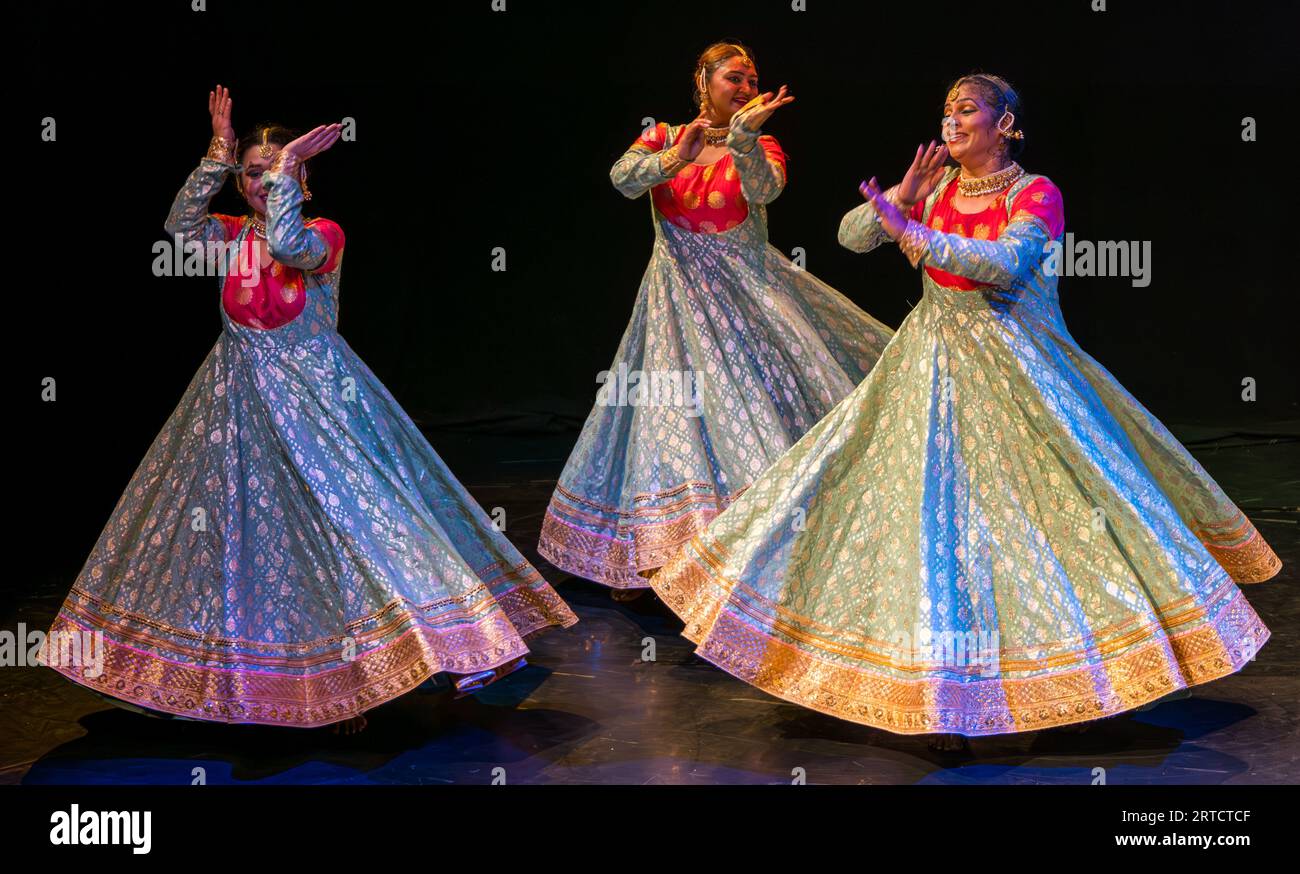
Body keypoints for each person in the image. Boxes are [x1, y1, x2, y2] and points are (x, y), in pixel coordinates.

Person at [650, 74, 1279, 751]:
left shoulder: (1035, 193)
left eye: (967, 108)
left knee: (1051, 528)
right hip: (929, 367)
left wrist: (914, 235)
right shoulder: (938, 188)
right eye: (946, 108)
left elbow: (1007, 265)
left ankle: (1087, 681)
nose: (951, 119)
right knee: (922, 527)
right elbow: (851, 235)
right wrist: (902, 200)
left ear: (1005, 124)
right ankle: (933, 694)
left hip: (1020, 376)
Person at [38, 85, 577, 734]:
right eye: (256, 174)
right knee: (251, 543)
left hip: (318, 397)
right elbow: (179, 226)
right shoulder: (227, 237)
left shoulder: (325, 232)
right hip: (236, 406)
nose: (265, 182)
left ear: (304, 182)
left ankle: (449, 652)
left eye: (279, 172)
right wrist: (218, 151)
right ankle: (257, 682)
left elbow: (292, 247)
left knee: (355, 526)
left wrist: (288, 171)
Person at [539, 43, 895, 597]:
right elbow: (623, 179)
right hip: (676, 304)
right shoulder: (662, 135)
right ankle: (660, 556)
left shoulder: (763, 143)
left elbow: (766, 189)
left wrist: (747, 140)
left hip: (748, 301)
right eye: (735, 76)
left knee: (753, 417)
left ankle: (754, 553)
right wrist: (677, 155)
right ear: (703, 81)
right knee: (667, 421)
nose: (747, 86)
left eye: (753, 78)